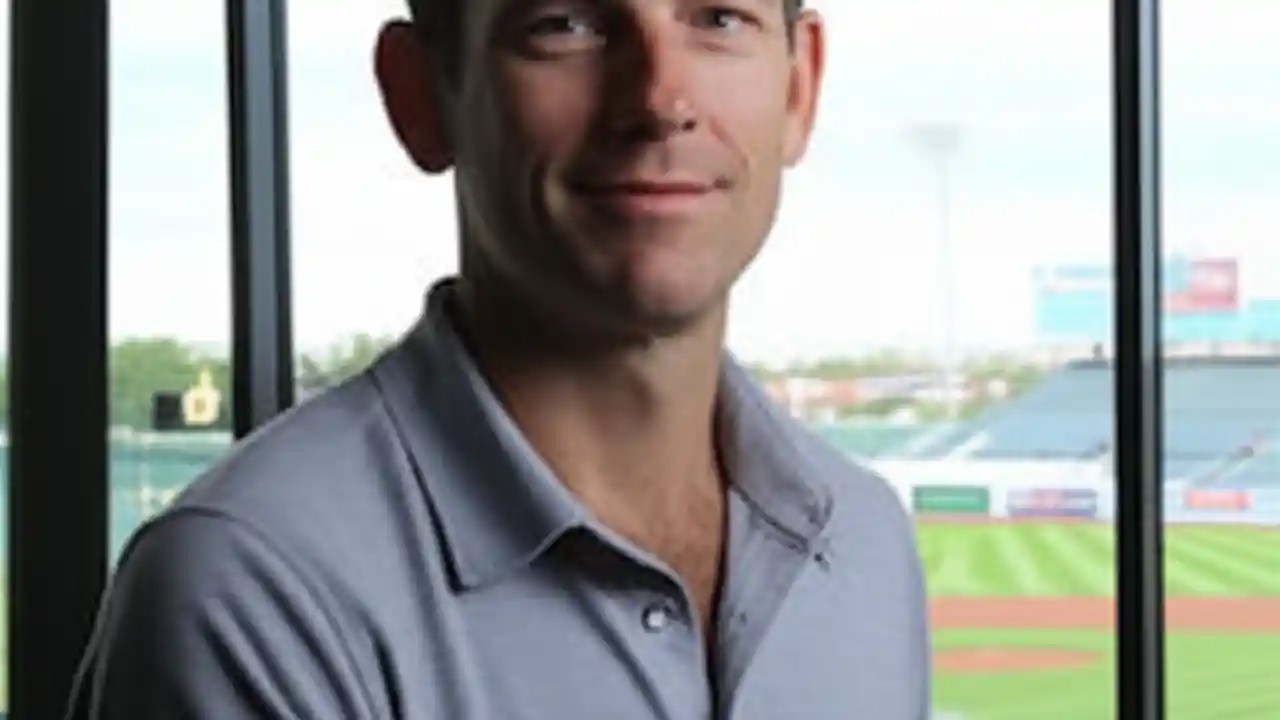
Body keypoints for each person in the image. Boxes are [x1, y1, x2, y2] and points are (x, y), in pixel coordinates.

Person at [67, 0, 930, 717]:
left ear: (799, 86)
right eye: (566, 23)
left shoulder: (864, 545)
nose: (662, 98)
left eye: (716, 18)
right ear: (419, 97)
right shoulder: (256, 589)